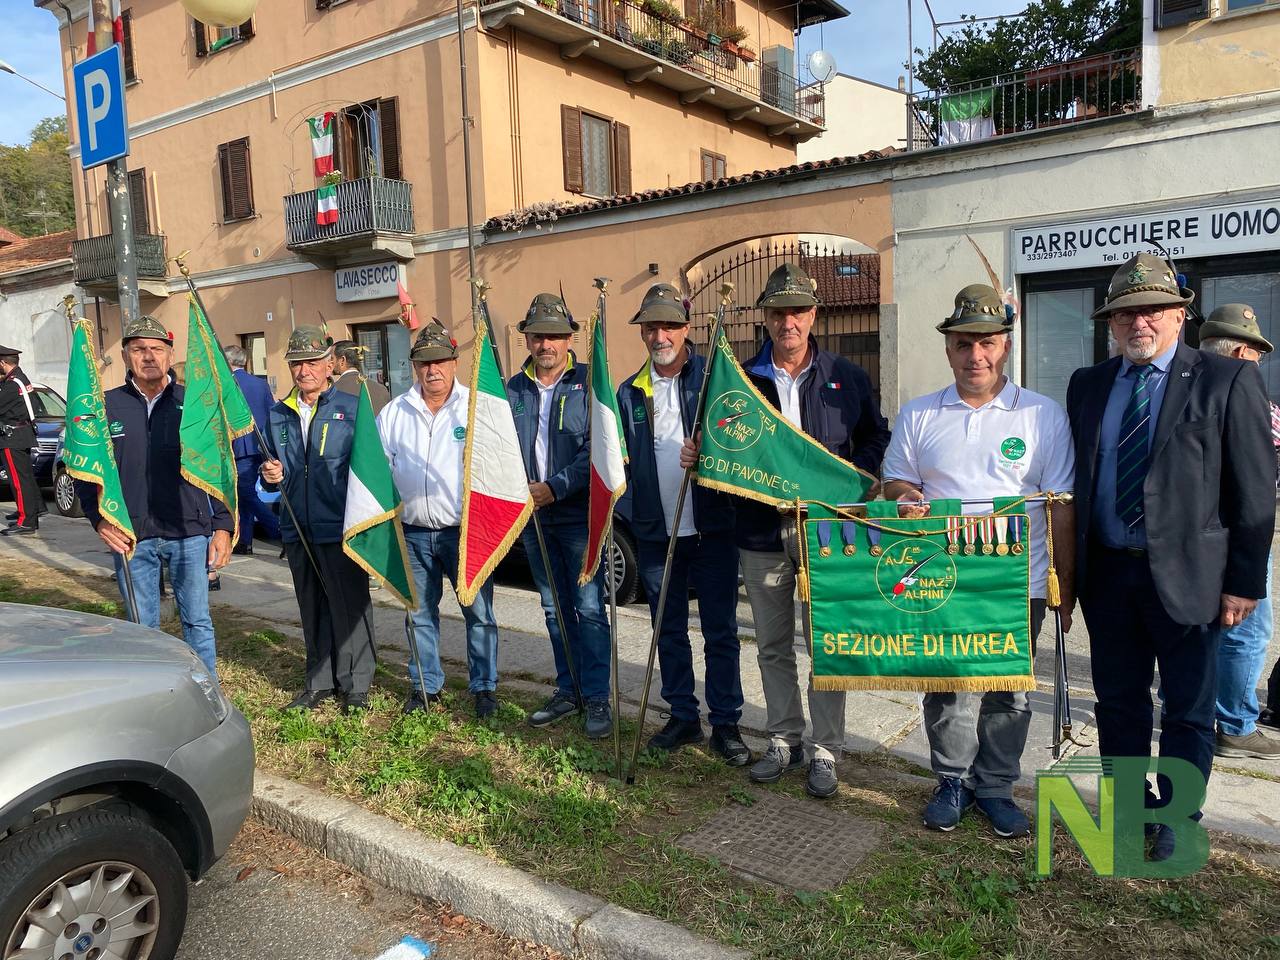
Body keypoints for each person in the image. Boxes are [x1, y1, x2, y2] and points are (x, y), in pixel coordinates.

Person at [1066, 253, 1275, 860]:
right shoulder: (1089, 384)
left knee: (1186, 709)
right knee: (1119, 703)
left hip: (1192, 580)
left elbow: (1255, 494)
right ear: (1110, 323)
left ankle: (1177, 818)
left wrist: (1244, 583)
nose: (1139, 322)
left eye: (1153, 309)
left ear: (1179, 315)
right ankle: (1130, 815)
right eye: (1126, 313)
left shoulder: (1226, 379)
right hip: (1108, 574)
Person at [684, 263, 891, 798]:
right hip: (759, 533)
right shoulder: (742, 382)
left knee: (826, 642)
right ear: (766, 318)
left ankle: (825, 749)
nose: (788, 321)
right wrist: (701, 456)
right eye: (778, 312)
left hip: (827, 533)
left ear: (813, 315)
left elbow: (874, 440)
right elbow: (727, 449)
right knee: (773, 643)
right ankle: (783, 738)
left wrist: (851, 483)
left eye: (797, 310)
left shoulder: (847, 377)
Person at [881, 284, 1076, 837]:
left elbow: (1061, 506)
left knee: (1008, 688)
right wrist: (903, 498)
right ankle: (951, 779)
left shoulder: (1042, 416)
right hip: (943, 577)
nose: (976, 356)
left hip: (1020, 580)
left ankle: (995, 785)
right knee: (947, 684)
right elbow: (897, 480)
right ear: (948, 349)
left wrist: (1065, 586)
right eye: (964, 344)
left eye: (987, 343)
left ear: (1005, 347)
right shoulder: (920, 414)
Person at [616, 283, 750, 765]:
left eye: (669, 324)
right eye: (651, 326)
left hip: (713, 527)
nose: (660, 334)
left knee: (720, 630)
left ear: (686, 329)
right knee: (667, 628)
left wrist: (707, 452)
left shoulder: (715, 377)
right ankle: (682, 714)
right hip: (656, 532)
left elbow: (739, 437)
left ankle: (727, 722)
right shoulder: (629, 391)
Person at [75, 315, 232, 674]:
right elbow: (85, 468)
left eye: (157, 349)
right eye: (139, 349)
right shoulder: (105, 406)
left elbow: (219, 467)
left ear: (169, 354)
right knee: (142, 628)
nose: (149, 356)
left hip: (189, 532)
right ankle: (154, 691)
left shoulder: (194, 405)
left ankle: (205, 690)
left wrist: (222, 526)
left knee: (197, 622)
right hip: (130, 536)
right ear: (127, 356)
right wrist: (99, 520)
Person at [378, 320, 501, 718]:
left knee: (479, 614)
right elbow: (381, 471)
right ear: (414, 367)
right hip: (413, 532)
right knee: (418, 615)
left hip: (465, 533)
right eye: (424, 363)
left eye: (440, 361)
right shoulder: (395, 412)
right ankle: (425, 686)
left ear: (454, 361)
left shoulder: (476, 408)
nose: (433, 370)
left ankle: (484, 688)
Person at [507, 292, 613, 739]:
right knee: (553, 609)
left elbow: (598, 452)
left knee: (588, 608)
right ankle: (567, 691)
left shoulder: (590, 383)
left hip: (576, 516)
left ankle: (597, 699)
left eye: (554, 335)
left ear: (570, 338)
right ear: (527, 341)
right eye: (537, 336)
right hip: (533, 519)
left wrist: (555, 488)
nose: (546, 344)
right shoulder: (513, 389)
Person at [260, 326, 377, 714]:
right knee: (311, 608)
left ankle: (356, 684)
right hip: (297, 526)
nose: (303, 370)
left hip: (341, 526)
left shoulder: (353, 407)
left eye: (312, 362)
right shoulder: (279, 414)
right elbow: (274, 469)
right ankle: (319, 682)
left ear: (330, 365)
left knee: (350, 607)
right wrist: (269, 474)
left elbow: (367, 470)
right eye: (296, 363)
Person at [1195, 303, 1280, 760]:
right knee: (1246, 630)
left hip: (1192, 538)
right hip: (1240, 536)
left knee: (1193, 625)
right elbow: (1261, 484)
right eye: (1258, 353)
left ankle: (1184, 705)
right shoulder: (1255, 402)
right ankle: (1235, 723)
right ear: (1243, 352)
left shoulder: (1177, 391)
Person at [221, 344, 280, 555]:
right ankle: (244, 541)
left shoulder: (227, 383)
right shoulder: (260, 383)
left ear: (227, 362)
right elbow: (271, 411)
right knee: (244, 495)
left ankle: (278, 529)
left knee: (244, 493)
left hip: (238, 445)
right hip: (259, 443)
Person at [0, 344, 41, 536]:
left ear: (2, 363)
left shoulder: (11, 384)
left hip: (13, 437)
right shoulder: (19, 379)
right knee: (25, 478)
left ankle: (26, 521)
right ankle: (31, 511)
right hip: (22, 434)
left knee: (18, 480)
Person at [332, 339, 391, 414]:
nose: (329, 363)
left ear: (342, 361)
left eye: (332, 359)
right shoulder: (381, 389)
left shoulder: (333, 391)